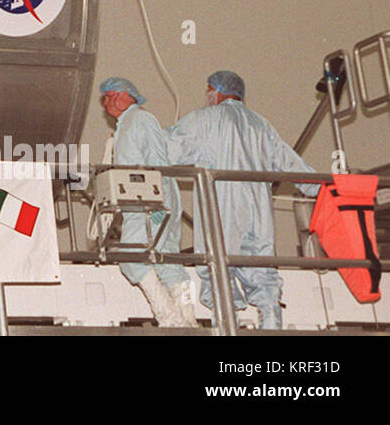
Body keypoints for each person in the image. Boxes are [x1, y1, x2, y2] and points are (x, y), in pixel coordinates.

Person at [164, 70, 320, 330]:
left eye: (208, 89)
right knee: (262, 270)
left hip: (221, 211)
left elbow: (166, 148)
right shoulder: (260, 124)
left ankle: (227, 329)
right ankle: (271, 325)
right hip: (258, 214)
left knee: (217, 271)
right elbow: (291, 164)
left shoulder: (205, 120)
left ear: (216, 90)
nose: (207, 95)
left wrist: (133, 147)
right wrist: (325, 189)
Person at [98, 77, 195, 327]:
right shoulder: (126, 126)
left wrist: (157, 202)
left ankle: (171, 319)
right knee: (164, 258)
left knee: (133, 256)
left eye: (109, 95)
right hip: (145, 202)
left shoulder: (140, 119)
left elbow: (157, 160)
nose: (106, 102)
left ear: (125, 96)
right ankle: (188, 320)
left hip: (150, 203)